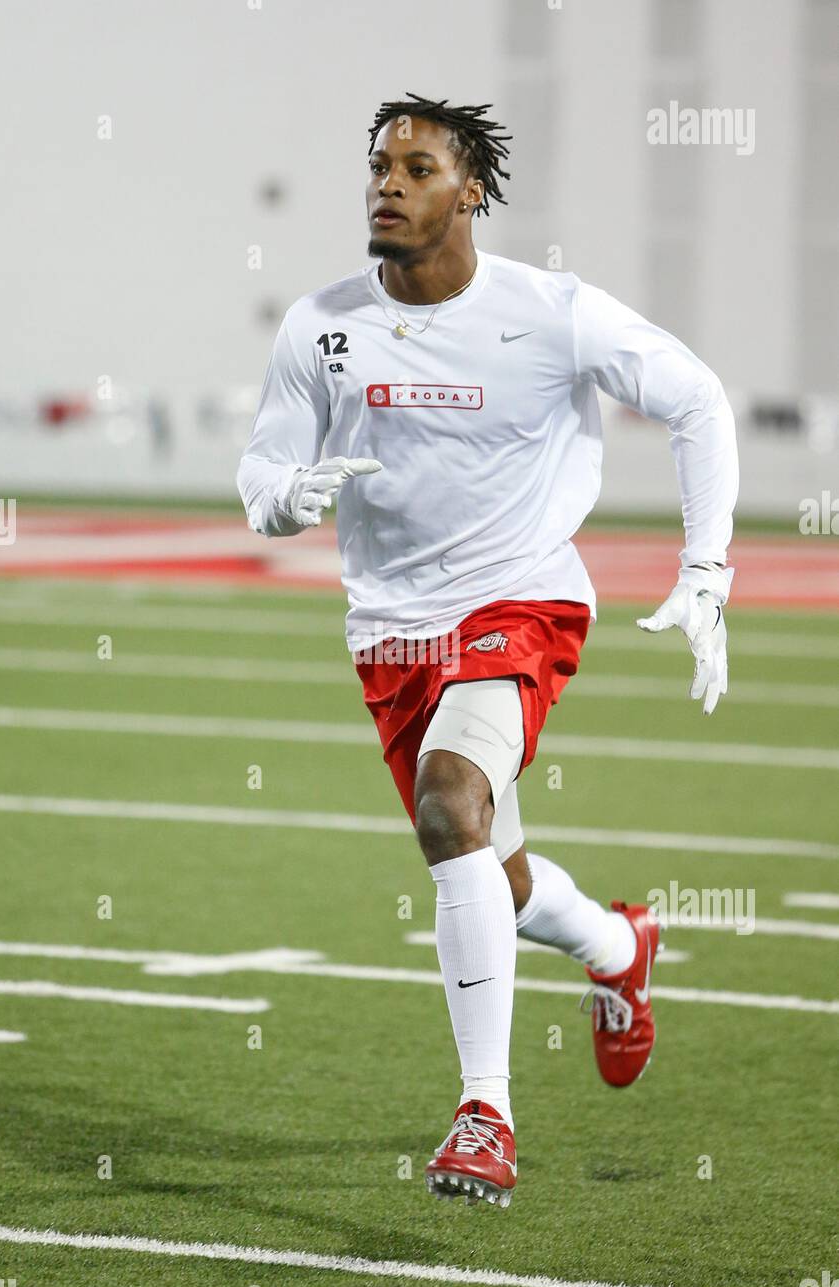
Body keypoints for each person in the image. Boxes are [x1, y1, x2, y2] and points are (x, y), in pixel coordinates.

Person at [237, 93, 738, 1209]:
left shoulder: (550, 311)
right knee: (492, 876)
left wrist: (705, 570)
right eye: (379, 165)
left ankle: (484, 1113)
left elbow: (696, 399)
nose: (388, 183)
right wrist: (284, 502)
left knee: (448, 802)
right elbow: (262, 471)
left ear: (471, 192)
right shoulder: (319, 323)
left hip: (522, 600)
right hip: (391, 635)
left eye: (417, 167)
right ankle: (614, 945)